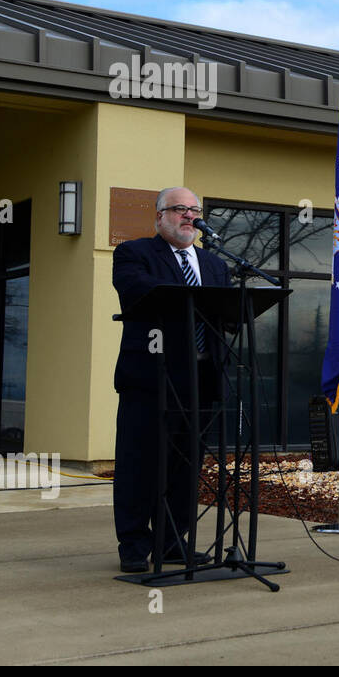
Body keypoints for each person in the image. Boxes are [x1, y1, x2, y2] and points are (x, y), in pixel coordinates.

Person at [111, 187, 229, 573]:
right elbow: (137, 293)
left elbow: (226, 314)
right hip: (149, 379)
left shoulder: (213, 265)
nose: (188, 216)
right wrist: (192, 300)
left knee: (185, 466)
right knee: (139, 464)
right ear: (159, 217)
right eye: (179, 209)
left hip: (199, 379)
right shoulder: (135, 254)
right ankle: (133, 546)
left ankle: (174, 543)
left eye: (195, 210)